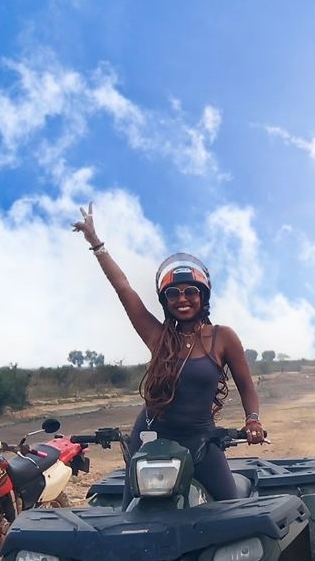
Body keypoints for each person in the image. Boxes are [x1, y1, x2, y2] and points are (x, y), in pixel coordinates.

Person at [73, 205, 267, 500]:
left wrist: (253, 419)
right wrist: (96, 244)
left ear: (203, 296)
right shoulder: (157, 336)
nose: (182, 299)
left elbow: (246, 387)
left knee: (231, 509)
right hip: (150, 439)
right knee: (132, 513)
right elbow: (123, 288)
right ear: (165, 301)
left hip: (201, 440)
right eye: (173, 294)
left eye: (190, 292)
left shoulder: (222, 337)